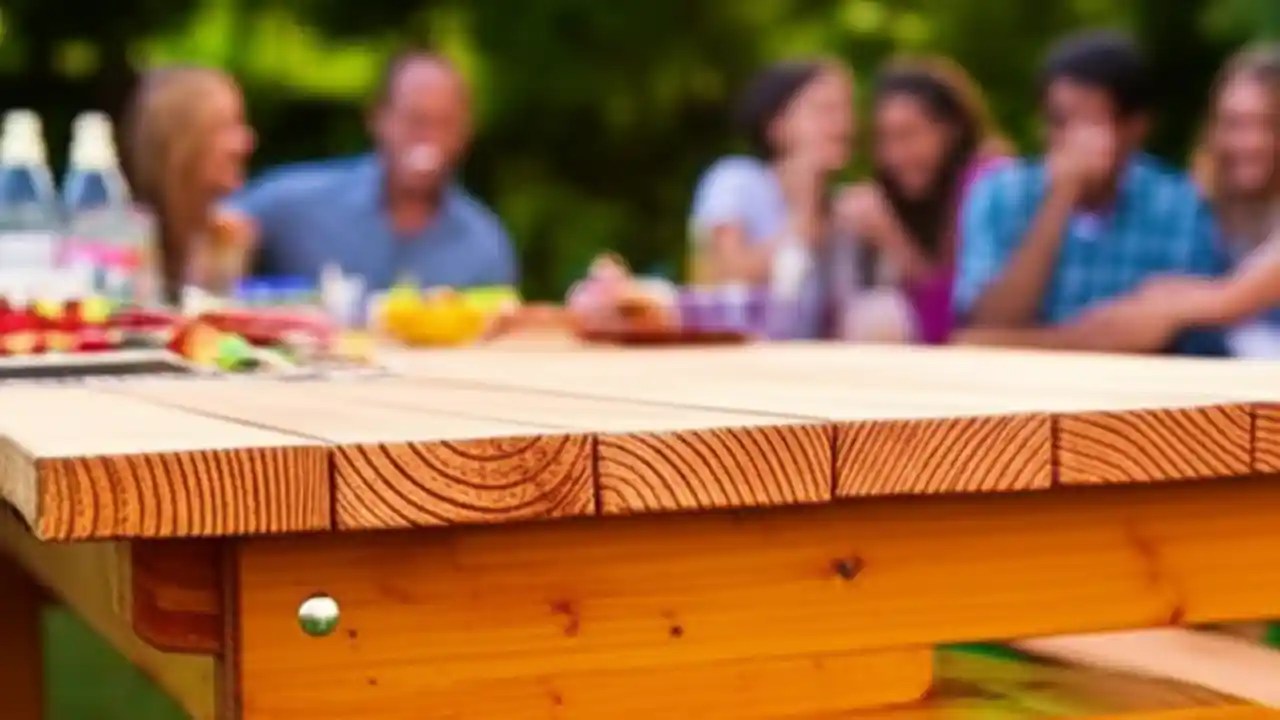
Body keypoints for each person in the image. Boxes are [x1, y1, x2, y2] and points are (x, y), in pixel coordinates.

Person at [953, 31, 1229, 356]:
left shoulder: (1178, 205)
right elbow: (989, 324)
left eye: (1089, 121)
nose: (1069, 138)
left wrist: (1024, 342)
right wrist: (1059, 198)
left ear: (1136, 126)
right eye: (1058, 121)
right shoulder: (998, 195)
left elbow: (1163, 337)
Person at [231, 52, 516, 291]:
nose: (429, 139)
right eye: (415, 120)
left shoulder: (485, 246)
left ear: (466, 133)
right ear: (377, 118)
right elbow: (220, 223)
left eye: (445, 124)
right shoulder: (295, 206)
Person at [1092, 46, 1280, 357]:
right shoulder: (1202, 205)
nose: (1249, 142)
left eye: (1267, 124)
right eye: (1234, 124)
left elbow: (1227, 301)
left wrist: (1161, 301)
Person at [836, 57, 1010, 344]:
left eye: (908, 135)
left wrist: (890, 235)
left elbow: (954, 320)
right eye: (884, 139)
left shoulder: (987, 182)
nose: (894, 155)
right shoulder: (899, 192)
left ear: (951, 130)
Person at [688, 60, 855, 339]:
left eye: (846, 109)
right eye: (824, 110)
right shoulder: (736, 179)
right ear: (776, 125)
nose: (842, 124)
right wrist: (802, 219)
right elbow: (726, 275)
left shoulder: (842, 208)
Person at [125, 67, 257, 301]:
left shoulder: (228, 240)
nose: (246, 142)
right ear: (182, 146)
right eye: (228, 127)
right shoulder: (125, 242)